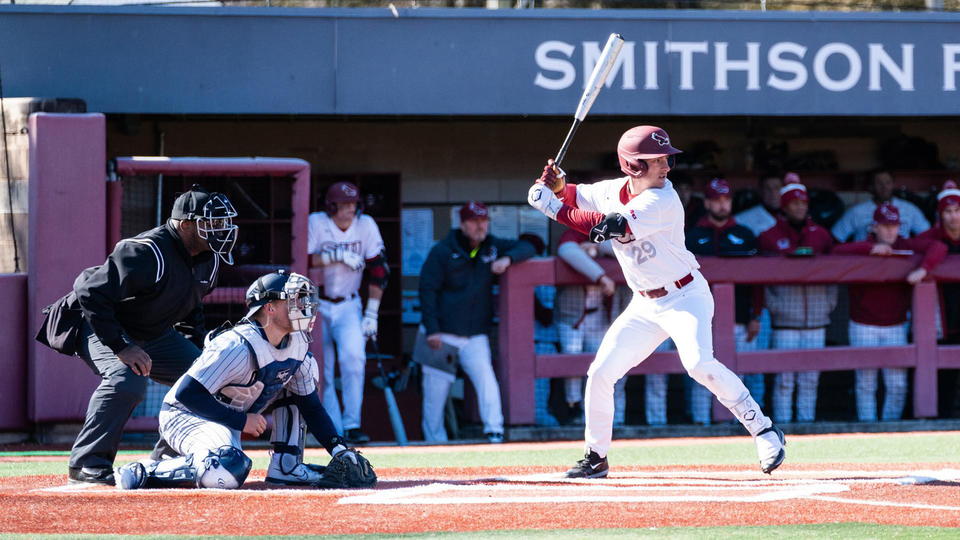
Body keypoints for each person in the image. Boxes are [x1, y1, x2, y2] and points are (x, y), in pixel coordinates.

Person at [527, 125, 785, 478]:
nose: (666, 166)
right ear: (633, 166)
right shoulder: (609, 190)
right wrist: (555, 186)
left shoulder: (663, 199)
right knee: (600, 373)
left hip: (685, 296)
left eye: (666, 159)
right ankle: (595, 456)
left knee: (698, 364)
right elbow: (574, 195)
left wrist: (552, 208)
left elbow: (606, 226)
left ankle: (764, 430)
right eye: (657, 160)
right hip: (644, 304)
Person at [114, 270, 376, 490]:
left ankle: (287, 467)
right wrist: (242, 421)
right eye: (295, 299)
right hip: (186, 416)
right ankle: (145, 471)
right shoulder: (236, 344)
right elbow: (186, 395)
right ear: (270, 308)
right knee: (228, 468)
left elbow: (311, 406)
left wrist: (339, 448)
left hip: (226, 419)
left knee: (296, 386)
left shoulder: (298, 345)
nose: (304, 306)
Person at [59, 186, 237, 486]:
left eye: (223, 222)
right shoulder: (146, 250)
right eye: (211, 223)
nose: (220, 229)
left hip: (153, 330)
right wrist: (121, 346)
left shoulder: (211, 257)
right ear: (185, 224)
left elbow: (191, 307)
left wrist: (201, 357)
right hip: (98, 322)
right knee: (126, 379)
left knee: (208, 381)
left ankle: (167, 459)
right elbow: (89, 291)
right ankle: (88, 462)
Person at [416, 201, 535, 443]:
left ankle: (494, 432)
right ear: (463, 224)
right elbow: (427, 290)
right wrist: (432, 330)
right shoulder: (442, 250)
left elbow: (529, 246)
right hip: (442, 333)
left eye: (484, 220)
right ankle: (433, 441)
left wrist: (508, 259)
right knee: (435, 393)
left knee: (486, 381)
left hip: (474, 334)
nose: (480, 226)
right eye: (474, 221)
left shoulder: (491, 245)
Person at [833, 203, 946, 421]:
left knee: (897, 383)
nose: (890, 231)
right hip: (863, 324)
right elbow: (834, 250)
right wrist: (869, 250)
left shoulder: (906, 244)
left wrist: (923, 269)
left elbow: (939, 247)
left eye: (894, 226)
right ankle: (868, 426)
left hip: (895, 324)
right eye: (885, 226)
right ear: (874, 227)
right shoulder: (862, 245)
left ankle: (891, 425)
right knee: (866, 382)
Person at [308, 181, 390, 445]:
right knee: (324, 367)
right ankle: (333, 427)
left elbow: (379, 270)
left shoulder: (365, 225)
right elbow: (304, 258)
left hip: (349, 304)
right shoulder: (317, 222)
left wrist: (372, 314)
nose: (348, 210)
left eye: (352, 205)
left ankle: (353, 424)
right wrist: (338, 255)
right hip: (316, 305)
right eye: (342, 205)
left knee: (354, 360)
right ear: (331, 206)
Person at [685, 178, 765, 423]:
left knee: (746, 375)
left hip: (739, 318)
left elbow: (757, 280)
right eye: (716, 200)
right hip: (701, 320)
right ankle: (700, 424)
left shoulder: (744, 234)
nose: (722, 205)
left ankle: (748, 425)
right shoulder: (692, 235)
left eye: (726, 199)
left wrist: (756, 315)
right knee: (702, 376)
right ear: (707, 202)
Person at [758, 180, 836, 423]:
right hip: (785, 323)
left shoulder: (821, 235)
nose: (800, 207)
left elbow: (836, 273)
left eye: (803, 203)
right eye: (794, 203)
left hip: (816, 320)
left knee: (810, 379)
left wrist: (828, 306)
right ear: (784, 206)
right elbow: (761, 280)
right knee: (784, 380)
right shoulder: (769, 237)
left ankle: (807, 424)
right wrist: (775, 308)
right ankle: (784, 426)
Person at [554, 229, 626, 426]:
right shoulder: (572, 234)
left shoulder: (610, 233)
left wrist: (596, 247)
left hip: (601, 315)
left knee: (602, 365)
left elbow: (624, 248)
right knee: (572, 360)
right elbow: (567, 249)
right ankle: (573, 407)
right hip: (573, 317)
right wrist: (601, 276)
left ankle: (602, 416)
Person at [916, 181, 960, 416]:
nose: (954, 217)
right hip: (943, 318)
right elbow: (906, 245)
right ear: (940, 215)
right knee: (944, 375)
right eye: (948, 212)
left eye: (958, 211)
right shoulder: (932, 237)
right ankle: (940, 418)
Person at [520, 232, 561, 427]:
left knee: (540, 402)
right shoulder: (517, 269)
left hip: (544, 342)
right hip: (530, 343)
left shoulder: (543, 273)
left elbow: (546, 316)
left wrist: (529, 295)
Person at [831, 169, 930, 242]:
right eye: (879, 183)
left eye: (888, 183)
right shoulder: (856, 211)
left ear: (893, 184)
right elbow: (835, 239)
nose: (884, 187)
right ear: (871, 187)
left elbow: (928, 236)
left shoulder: (909, 209)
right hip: (864, 259)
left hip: (900, 259)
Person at [735, 171, 784, 238]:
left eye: (777, 188)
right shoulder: (742, 219)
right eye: (768, 189)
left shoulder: (793, 215)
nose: (773, 193)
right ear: (761, 191)